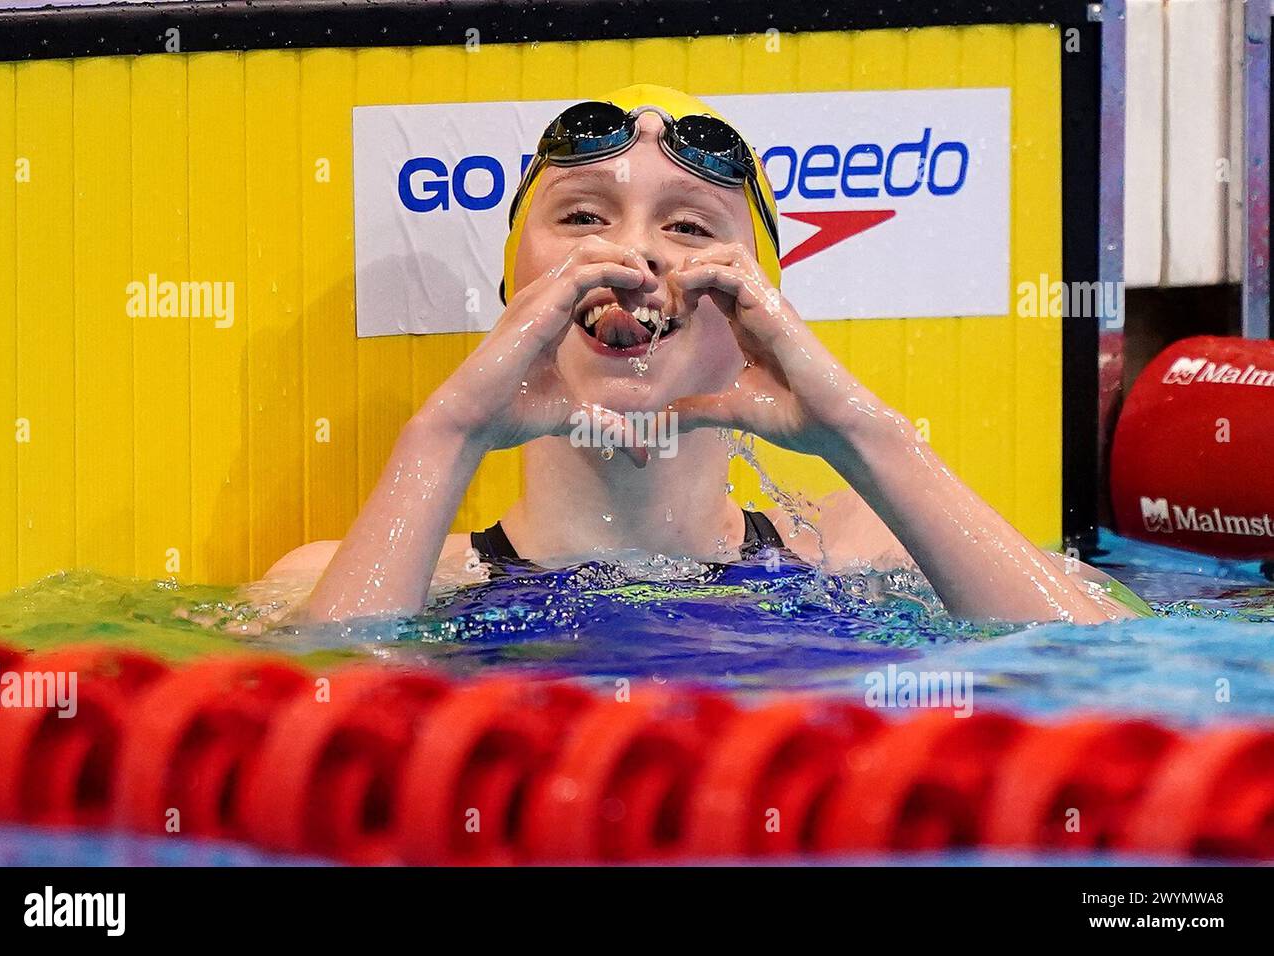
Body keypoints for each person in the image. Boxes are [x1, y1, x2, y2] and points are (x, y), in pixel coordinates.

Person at [268, 84, 1141, 626]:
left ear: (758, 317)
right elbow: (314, 748)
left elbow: (1108, 688)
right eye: (581, 217)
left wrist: (866, 438)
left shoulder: (874, 561)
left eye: (690, 228)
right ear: (513, 295)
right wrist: (447, 433)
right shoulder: (367, 579)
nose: (636, 256)